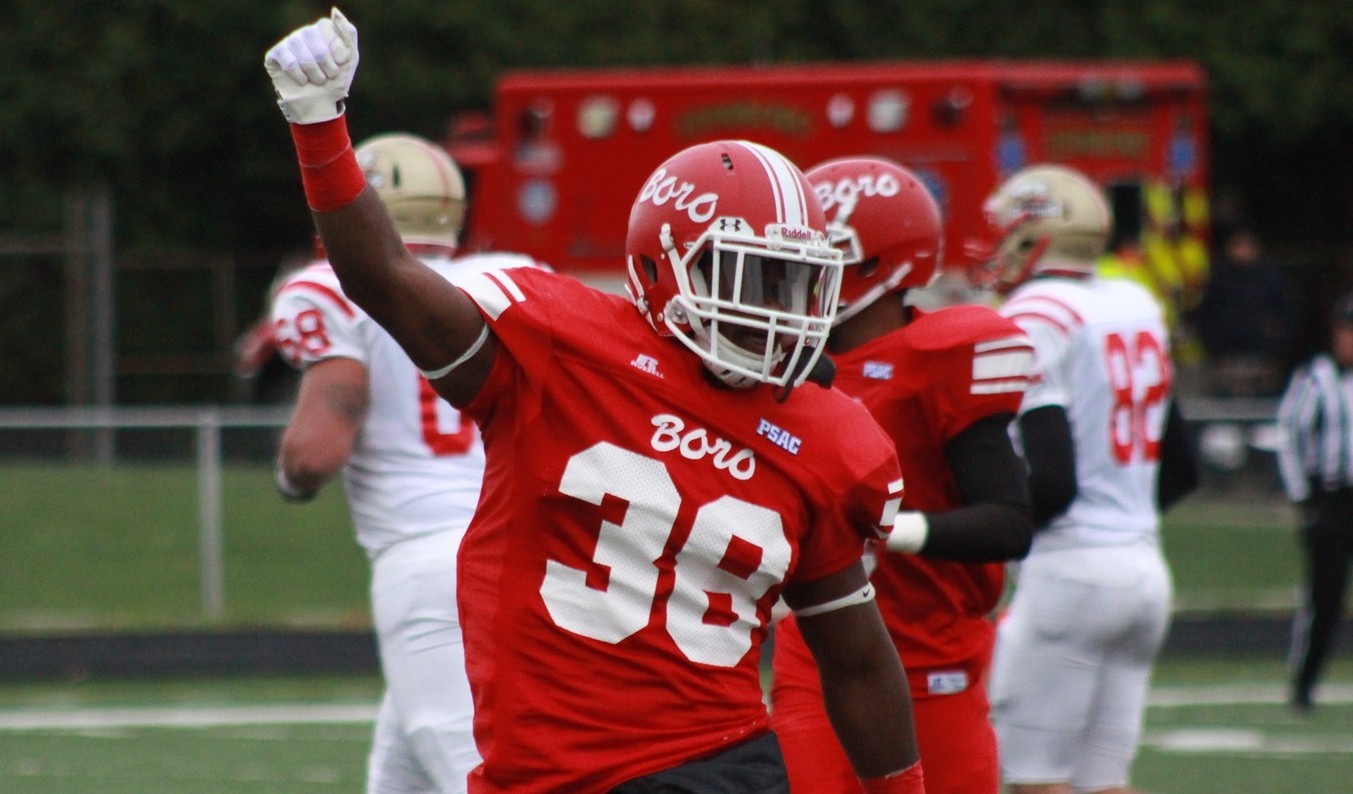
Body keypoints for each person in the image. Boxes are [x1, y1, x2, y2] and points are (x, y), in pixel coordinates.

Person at [264, 10, 926, 794]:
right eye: (744, 278)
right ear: (660, 265)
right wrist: (319, 125)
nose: (771, 310)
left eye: (789, 281)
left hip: (714, 763)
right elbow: (382, 276)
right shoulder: (558, 351)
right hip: (551, 770)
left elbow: (853, 656)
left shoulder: (828, 438)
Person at [273, 131, 544, 794]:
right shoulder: (512, 275)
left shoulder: (330, 287)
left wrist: (287, 477)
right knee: (400, 778)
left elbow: (316, 452)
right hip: (527, 550)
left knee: (465, 768)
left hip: (428, 564)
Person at [770, 157, 1037, 793]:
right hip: (817, 657)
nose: (794, 279)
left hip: (933, 666)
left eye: (818, 258)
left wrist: (890, 530)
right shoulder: (779, 364)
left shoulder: (937, 360)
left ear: (876, 265)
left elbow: (1009, 521)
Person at [976, 164, 1198, 794]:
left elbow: (1053, 482)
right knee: (1103, 783)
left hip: (1072, 575)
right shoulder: (1133, 301)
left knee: (1037, 782)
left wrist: (978, 529)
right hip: (1145, 572)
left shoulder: (1038, 311)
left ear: (1034, 236)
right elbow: (1181, 467)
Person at [1275, 290, 1353, 713]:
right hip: (1331, 498)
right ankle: (1304, 684)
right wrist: (1303, 496)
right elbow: (1289, 435)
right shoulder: (1316, 378)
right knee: (1325, 596)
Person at [1189, 227, 1293, 397]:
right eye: (1238, 246)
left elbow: (1287, 315)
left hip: (1262, 361)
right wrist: (1215, 348)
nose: (1243, 251)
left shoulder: (1269, 279)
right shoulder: (1218, 280)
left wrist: (1274, 345)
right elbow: (1204, 317)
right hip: (1226, 362)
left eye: (1247, 246)